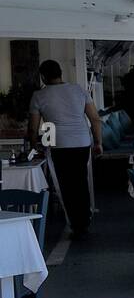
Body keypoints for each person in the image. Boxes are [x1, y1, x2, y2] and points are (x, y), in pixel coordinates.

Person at [28, 59, 102, 237]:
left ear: (43, 76)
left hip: (58, 145)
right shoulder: (78, 90)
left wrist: (34, 145)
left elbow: (33, 127)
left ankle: (77, 225)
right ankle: (84, 220)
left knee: (66, 185)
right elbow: (95, 119)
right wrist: (99, 142)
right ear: (60, 72)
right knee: (80, 181)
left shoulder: (39, 96)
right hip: (82, 142)